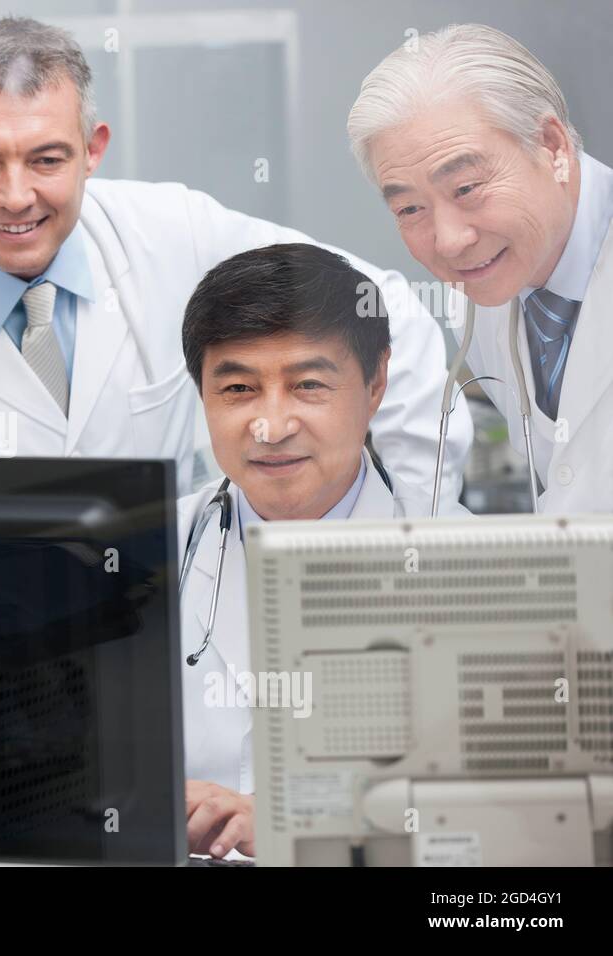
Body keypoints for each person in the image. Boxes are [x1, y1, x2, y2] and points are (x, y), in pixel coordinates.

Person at [0, 15, 471, 500]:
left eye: (47, 160)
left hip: (165, 638)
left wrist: (405, 525)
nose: (15, 197)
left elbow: (382, 309)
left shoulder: (177, 232)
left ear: (93, 149)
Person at [177, 243, 470, 859]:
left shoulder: (467, 561)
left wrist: (305, 821)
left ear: (376, 383)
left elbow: (515, 815)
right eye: (237, 388)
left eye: (308, 384)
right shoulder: (149, 552)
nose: (271, 425)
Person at [349, 23, 612, 513]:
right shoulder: (478, 295)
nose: (450, 242)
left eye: (467, 188)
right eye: (409, 210)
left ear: (552, 146)